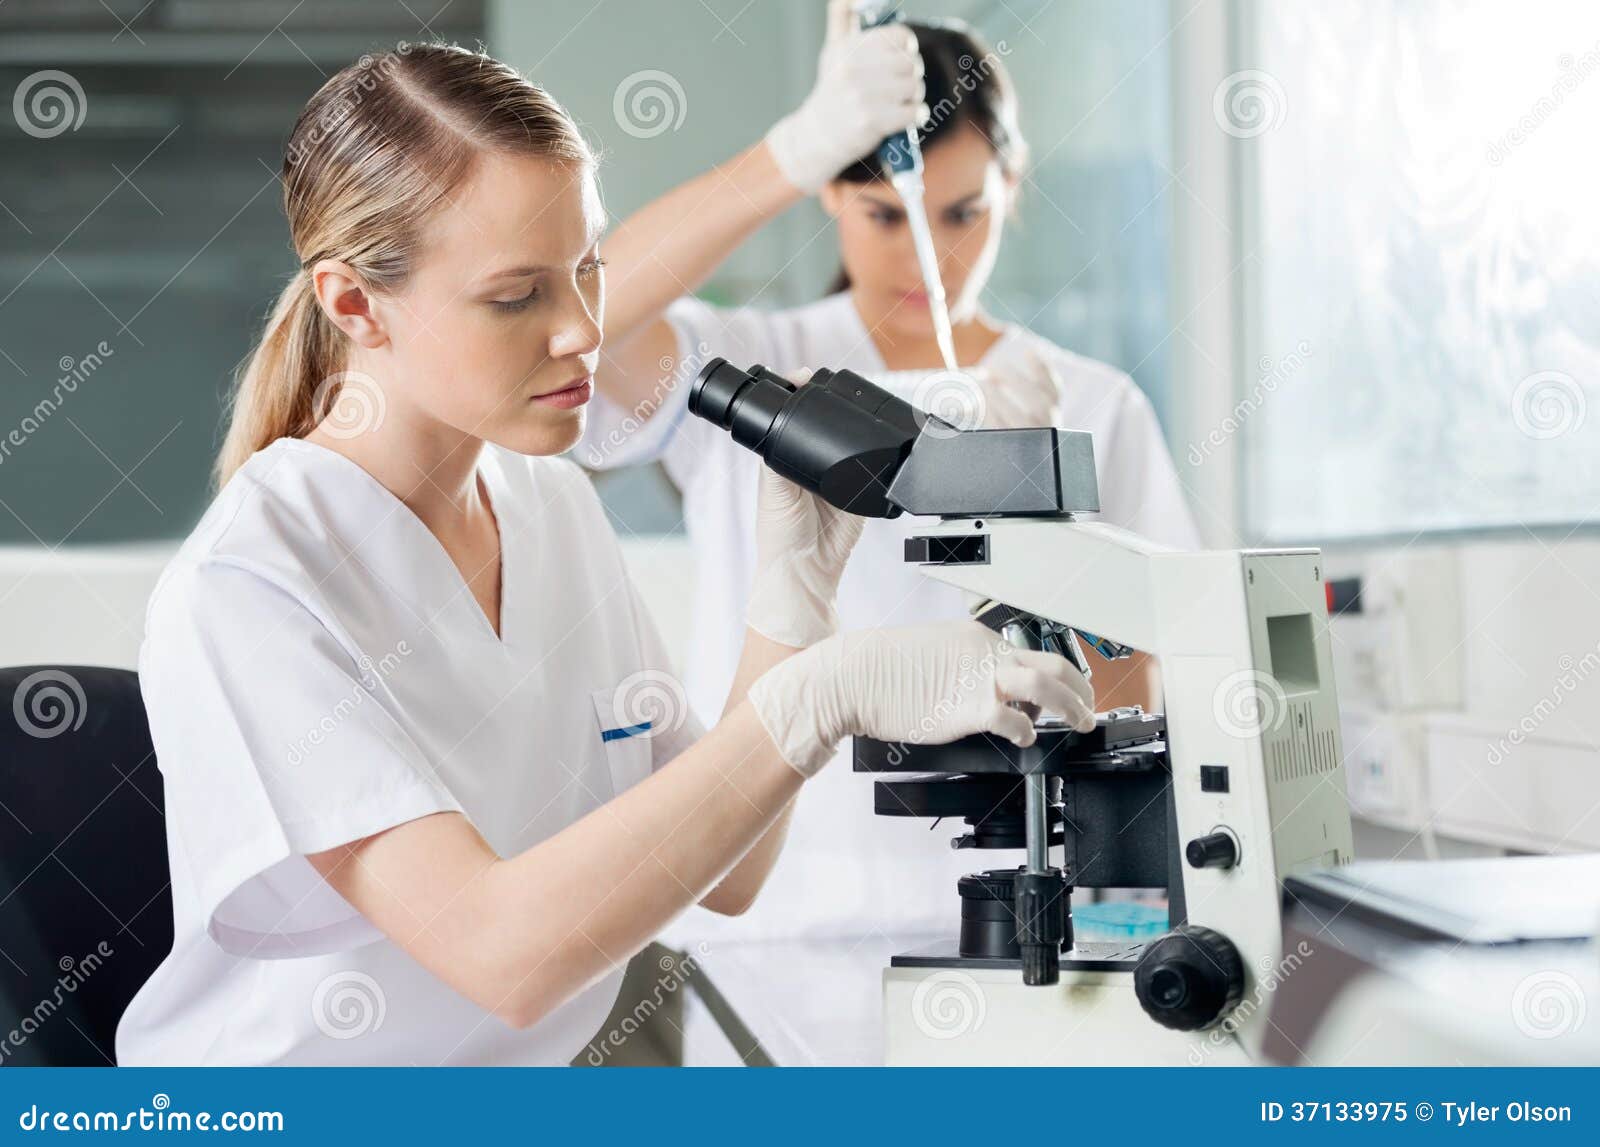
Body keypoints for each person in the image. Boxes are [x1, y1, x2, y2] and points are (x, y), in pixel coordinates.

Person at [112, 43, 1094, 1067]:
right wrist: (822, 698)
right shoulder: (255, 583)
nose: (582, 328)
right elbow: (506, 956)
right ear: (355, 304)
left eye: (587, 270)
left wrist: (792, 607)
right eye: (515, 296)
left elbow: (732, 870)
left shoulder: (546, 508)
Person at [579, 6, 1201, 954]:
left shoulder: (1088, 400)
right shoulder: (755, 367)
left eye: (962, 213)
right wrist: (792, 150)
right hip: (770, 917)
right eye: (886, 214)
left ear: (1012, 186)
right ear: (834, 194)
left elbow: (1143, 677)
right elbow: (584, 317)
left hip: (1022, 922)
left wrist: (1057, 543)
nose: (926, 258)